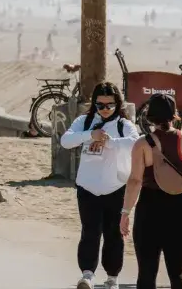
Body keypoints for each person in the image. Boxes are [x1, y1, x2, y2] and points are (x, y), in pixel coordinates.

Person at [121, 93, 182, 289]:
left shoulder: (142, 144)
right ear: (174, 115)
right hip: (181, 208)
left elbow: (135, 181)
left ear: (150, 115)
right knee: (179, 272)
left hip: (150, 209)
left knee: (147, 272)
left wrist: (125, 212)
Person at [61, 82, 139, 289]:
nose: (105, 110)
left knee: (114, 234)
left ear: (117, 104)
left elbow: (135, 142)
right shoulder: (84, 121)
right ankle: (87, 274)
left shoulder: (124, 124)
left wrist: (110, 141)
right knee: (89, 232)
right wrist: (90, 135)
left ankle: (112, 277)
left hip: (115, 187)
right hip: (87, 187)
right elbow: (66, 140)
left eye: (110, 105)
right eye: (100, 105)